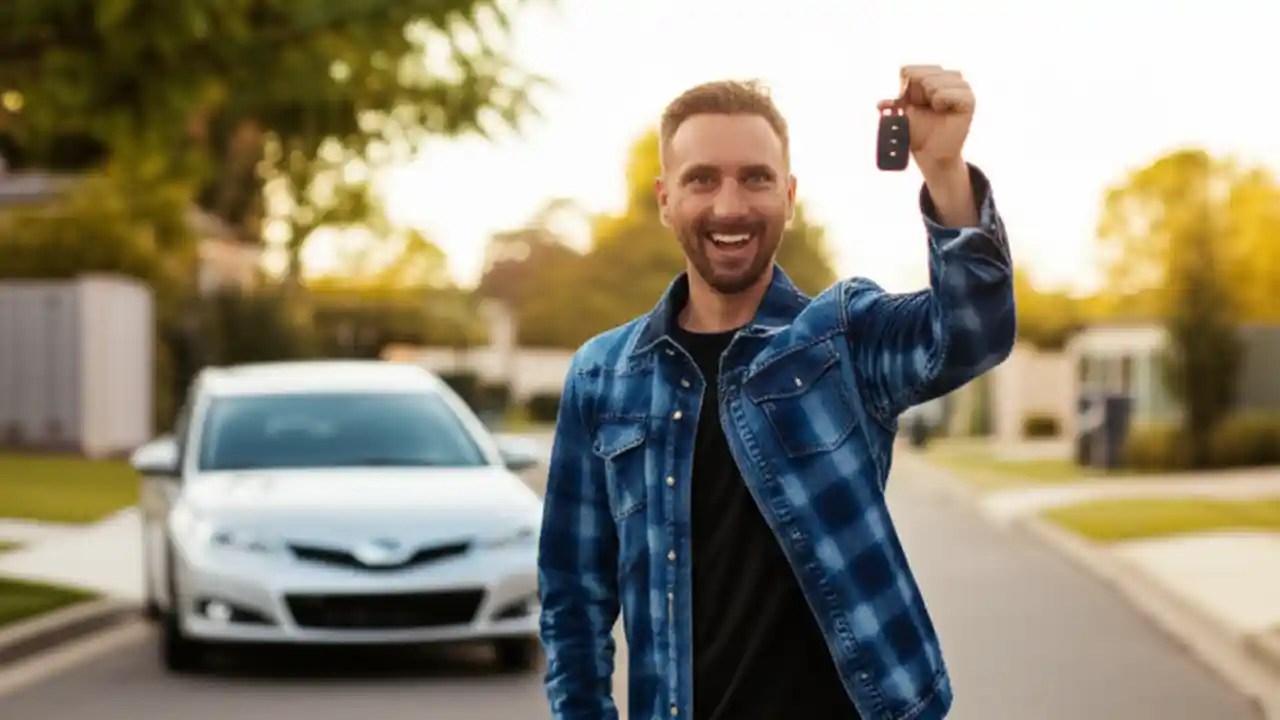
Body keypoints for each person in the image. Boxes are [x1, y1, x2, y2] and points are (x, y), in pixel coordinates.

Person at [537, 66, 1016, 720]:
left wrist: (944, 170)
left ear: (789, 196)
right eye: (702, 178)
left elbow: (974, 333)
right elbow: (573, 598)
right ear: (665, 199)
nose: (729, 206)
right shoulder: (602, 374)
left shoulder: (842, 338)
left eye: (755, 178)